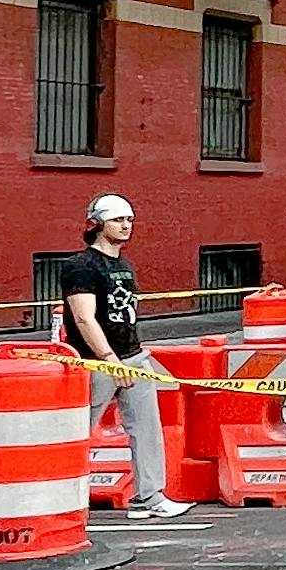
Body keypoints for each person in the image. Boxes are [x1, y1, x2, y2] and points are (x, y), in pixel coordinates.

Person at [58, 193, 190, 518]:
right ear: (99, 224)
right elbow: (84, 317)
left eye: (129, 220)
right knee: (76, 431)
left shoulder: (125, 266)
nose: (126, 226)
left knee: (146, 429)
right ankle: (57, 498)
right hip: (95, 361)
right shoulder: (81, 266)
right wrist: (107, 357)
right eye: (118, 220)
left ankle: (149, 497)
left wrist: (131, 355)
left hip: (133, 357)